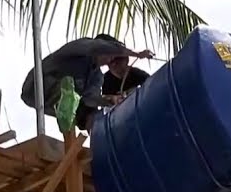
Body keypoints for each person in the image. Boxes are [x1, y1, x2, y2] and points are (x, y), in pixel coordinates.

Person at [21, 34, 153, 131]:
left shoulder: (97, 77)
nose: (110, 58)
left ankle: (101, 141)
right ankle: (67, 101)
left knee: (88, 110)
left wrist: (111, 100)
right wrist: (137, 54)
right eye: (110, 53)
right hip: (37, 85)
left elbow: (91, 99)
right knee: (69, 87)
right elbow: (95, 47)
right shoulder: (82, 47)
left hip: (51, 102)